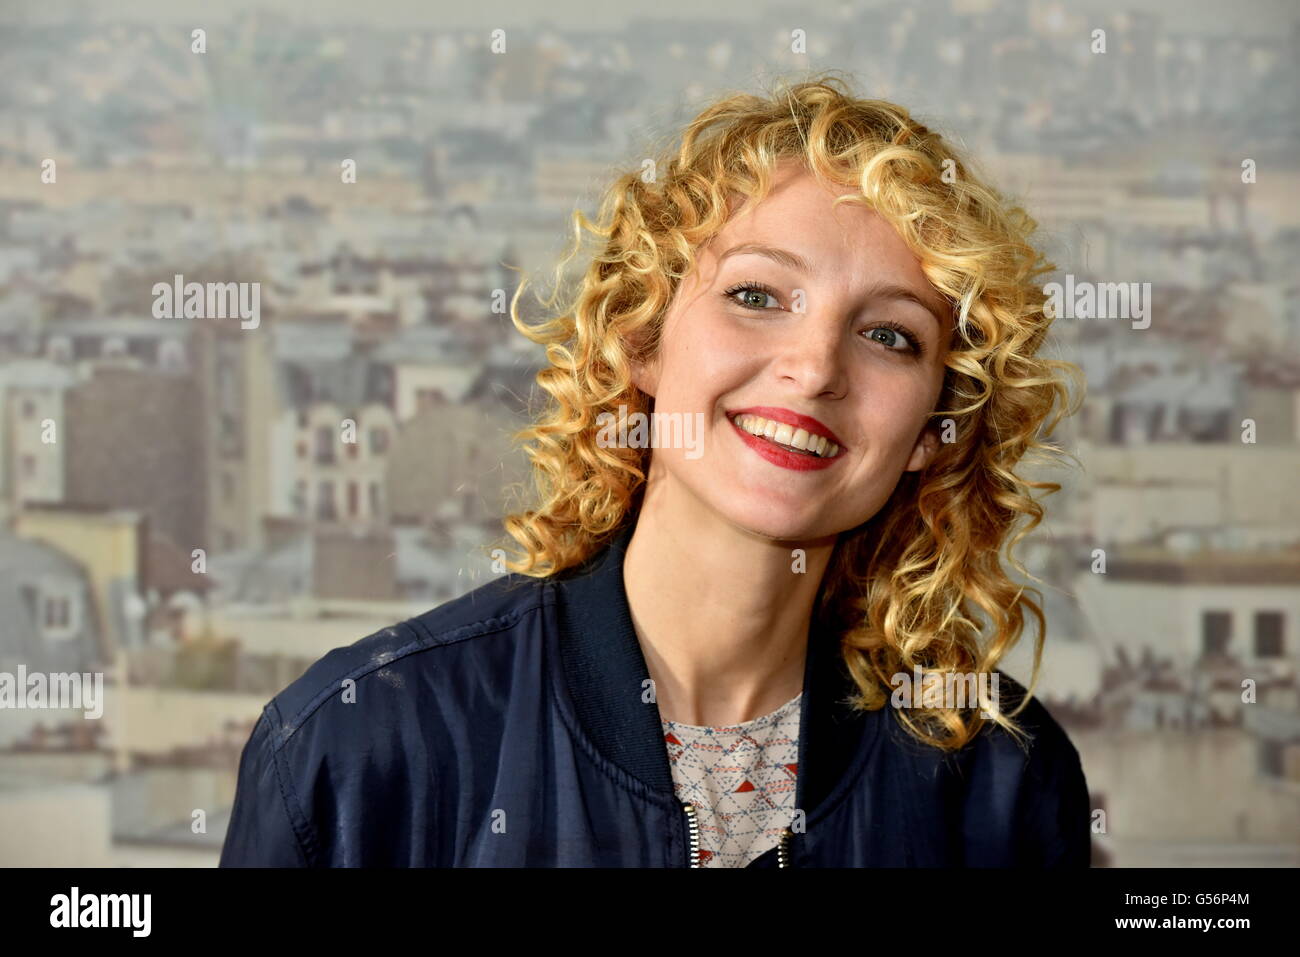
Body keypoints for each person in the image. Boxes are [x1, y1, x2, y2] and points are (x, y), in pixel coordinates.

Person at [220, 74, 1090, 868]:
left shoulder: (1001, 785)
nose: (816, 366)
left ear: (938, 427)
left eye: (889, 334)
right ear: (640, 337)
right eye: (757, 295)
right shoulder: (364, 745)